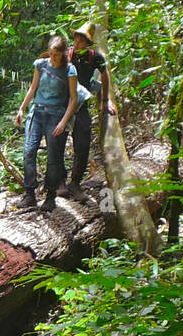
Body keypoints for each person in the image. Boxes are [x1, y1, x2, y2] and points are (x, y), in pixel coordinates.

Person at [14, 34, 78, 211]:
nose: (53, 58)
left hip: (56, 115)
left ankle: (50, 196)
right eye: (50, 54)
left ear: (64, 54)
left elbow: (73, 99)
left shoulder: (69, 70)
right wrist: (22, 108)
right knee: (28, 150)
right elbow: (33, 88)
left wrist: (64, 122)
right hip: (38, 112)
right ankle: (30, 194)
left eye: (56, 55)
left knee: (53, 157)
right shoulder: (41, 65)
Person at [61, 21, 117, 197]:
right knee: (57, 142)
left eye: (82, 40)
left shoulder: (95, 57)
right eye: (76, 38)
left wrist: (105, 100)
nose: (78, 43)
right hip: (62, 103)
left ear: (88, 42)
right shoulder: (66, 54)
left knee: (83, 143)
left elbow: (104, 75)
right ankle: (59, 183)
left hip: (80, 103)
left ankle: (75, 183)